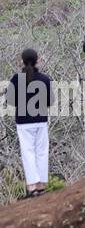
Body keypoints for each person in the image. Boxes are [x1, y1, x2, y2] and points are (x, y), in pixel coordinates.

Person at [7, 49, 50, 197]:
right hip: (40, 120)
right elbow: (50, 101)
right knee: (42, 152)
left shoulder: (16, 79)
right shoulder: (45, 79)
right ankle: (42, 184)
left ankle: (32, 186)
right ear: (37, 60)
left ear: (22, 61)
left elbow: (11, 101)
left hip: (23, 121)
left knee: (28, 153)